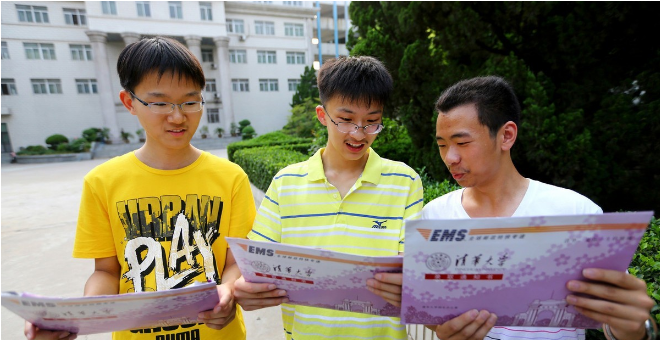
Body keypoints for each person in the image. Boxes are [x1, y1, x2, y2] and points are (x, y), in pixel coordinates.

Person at [371, 76, 657, 340]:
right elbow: (431, 312)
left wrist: (633, 326)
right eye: (442, 145)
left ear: (506, 135)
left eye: (462, 142)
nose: (450, 157)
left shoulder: (573, 213)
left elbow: (614, 317)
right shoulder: (434, 217)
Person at [24, 37, 256, 340]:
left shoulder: (230, 177)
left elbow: (235, 262)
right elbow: (107, 271)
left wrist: (227, 291)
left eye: (190, 101)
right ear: (129, 102)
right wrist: (81, 316)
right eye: (160, 103)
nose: (177, 116)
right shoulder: (103, 181)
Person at [234, 56, 424, 339]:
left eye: (371, 122)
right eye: (346, 120)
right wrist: (244, 288)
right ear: (323, 115)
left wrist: (411, 283)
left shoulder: (404, 182)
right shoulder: (286, 183)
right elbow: (258, 265)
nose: (358, 134)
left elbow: (409, 269)